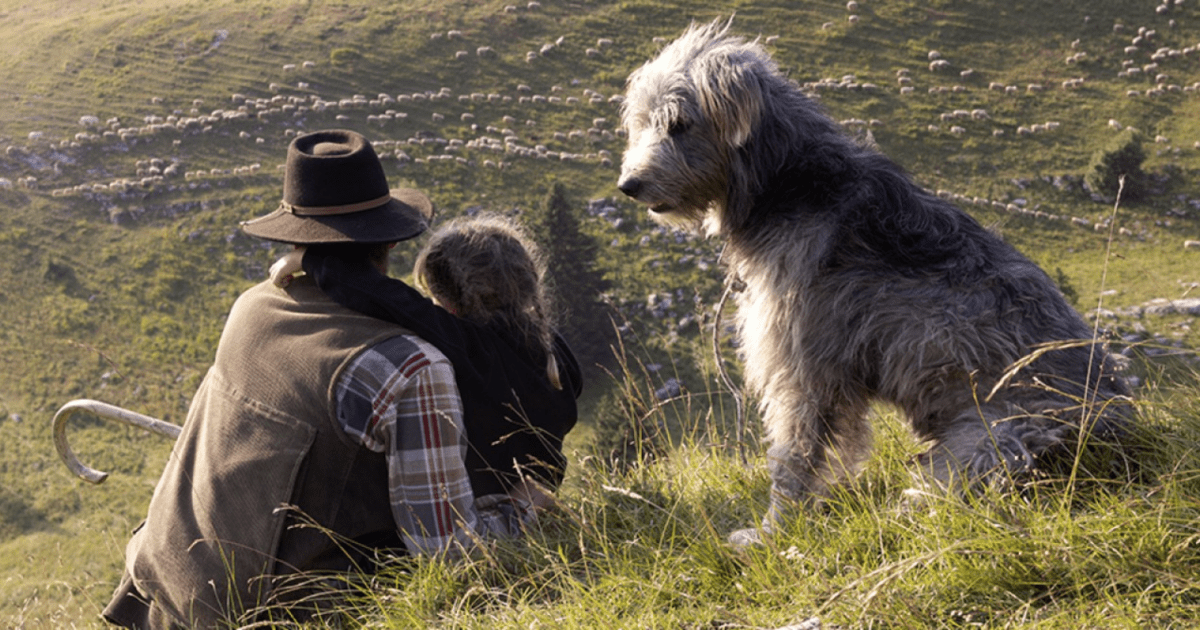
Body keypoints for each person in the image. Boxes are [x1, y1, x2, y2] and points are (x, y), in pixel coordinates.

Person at [103, 129, 539, 629]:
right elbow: (447, 553)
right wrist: (526, 511)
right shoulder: (411, 368)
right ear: (393, 237)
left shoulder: (251, 308)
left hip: (161, 597)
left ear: (293, 234)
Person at [299, 212, 583, 499]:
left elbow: (384, 297)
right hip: (543, 489)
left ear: (450, 304)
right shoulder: (550, 345)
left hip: (489, 513)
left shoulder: (467, 345)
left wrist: (312, 261)